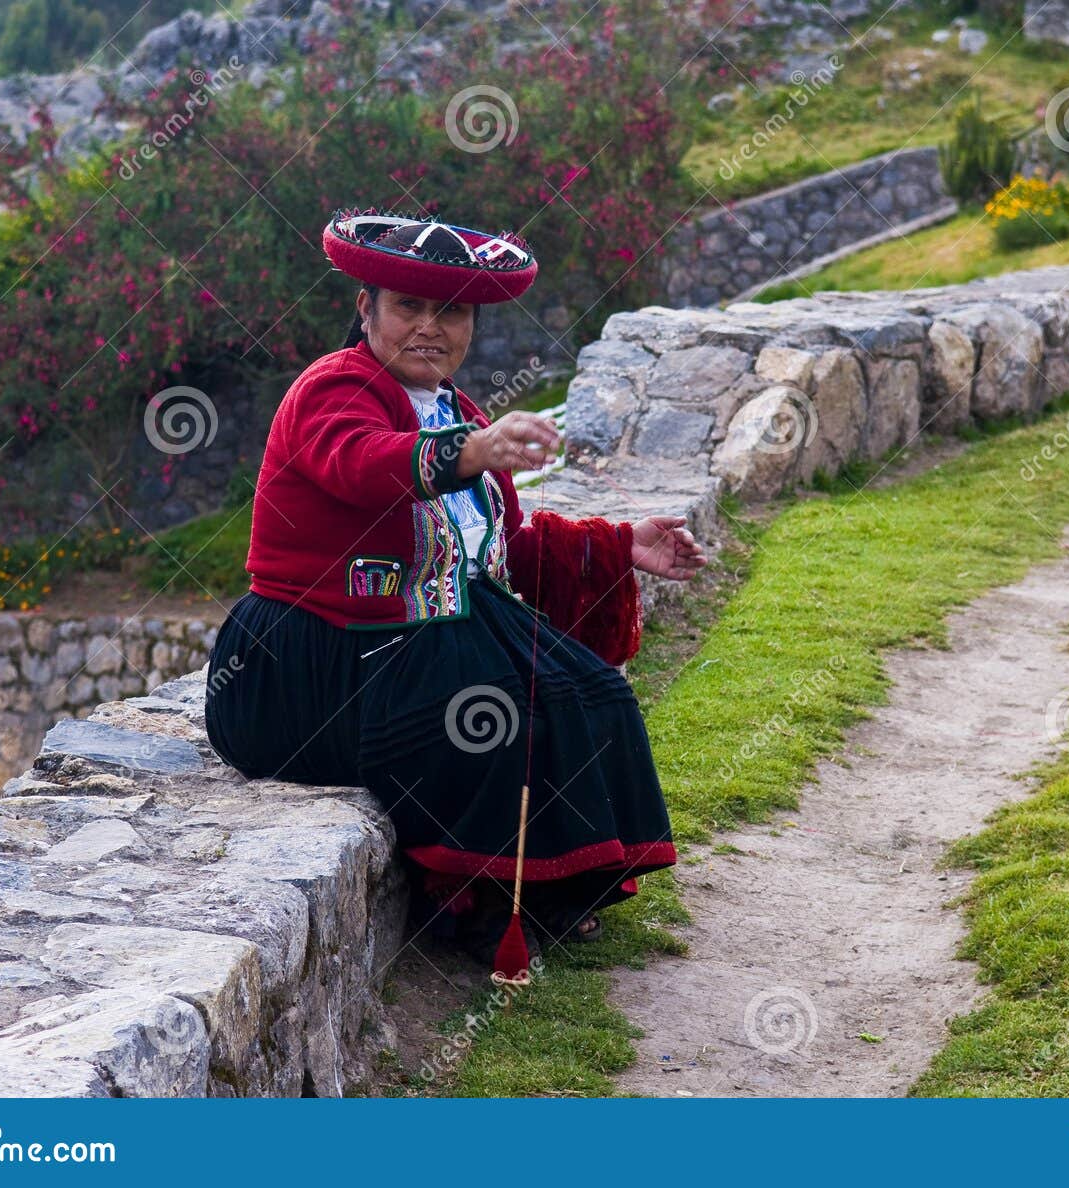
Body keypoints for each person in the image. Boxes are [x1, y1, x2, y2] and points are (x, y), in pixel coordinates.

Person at [204, 208, 707, 966]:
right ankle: (468, 901)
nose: (431, 328)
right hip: (306, 668)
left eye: (453, 310)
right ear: (365, 307)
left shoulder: (455, 410)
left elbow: (492, 551)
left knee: (588, 690)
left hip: (406, 647)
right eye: (409, 306)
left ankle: (557, 884)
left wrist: (620, 545)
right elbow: (365, 463)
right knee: (490, 705)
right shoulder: (331, 392)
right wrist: (472, 449)